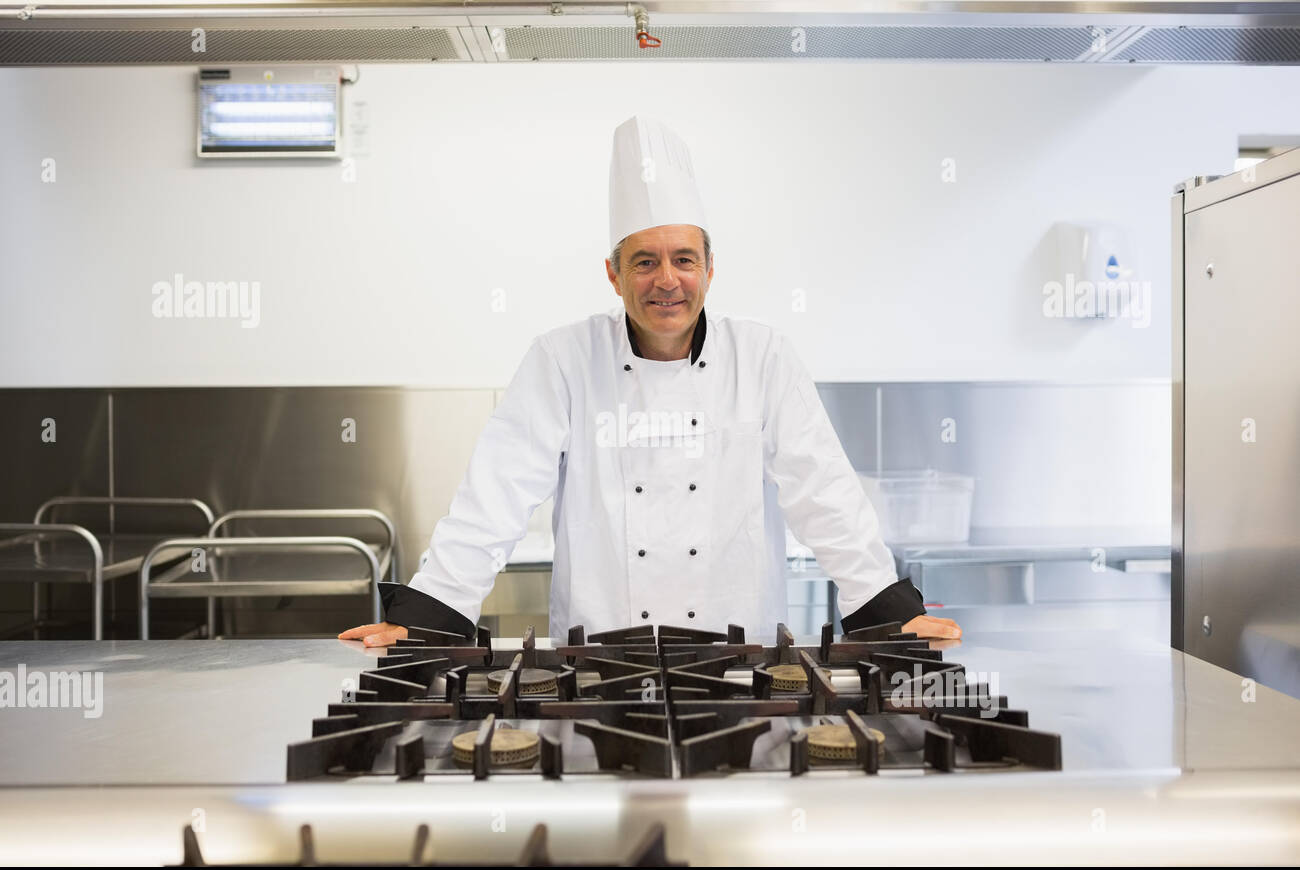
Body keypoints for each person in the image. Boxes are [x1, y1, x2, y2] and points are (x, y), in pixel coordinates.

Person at [341, 115, 960, 648]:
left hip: (739, 668)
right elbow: (494, 496)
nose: (667, 279)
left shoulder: (763, 357)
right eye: (645, 261)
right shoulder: (564, 359)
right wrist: (430, 616)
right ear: (613, 275)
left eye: (684, 259)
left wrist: (888, 614)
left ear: (710, 270)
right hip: (597, 668)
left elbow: (823, 493)